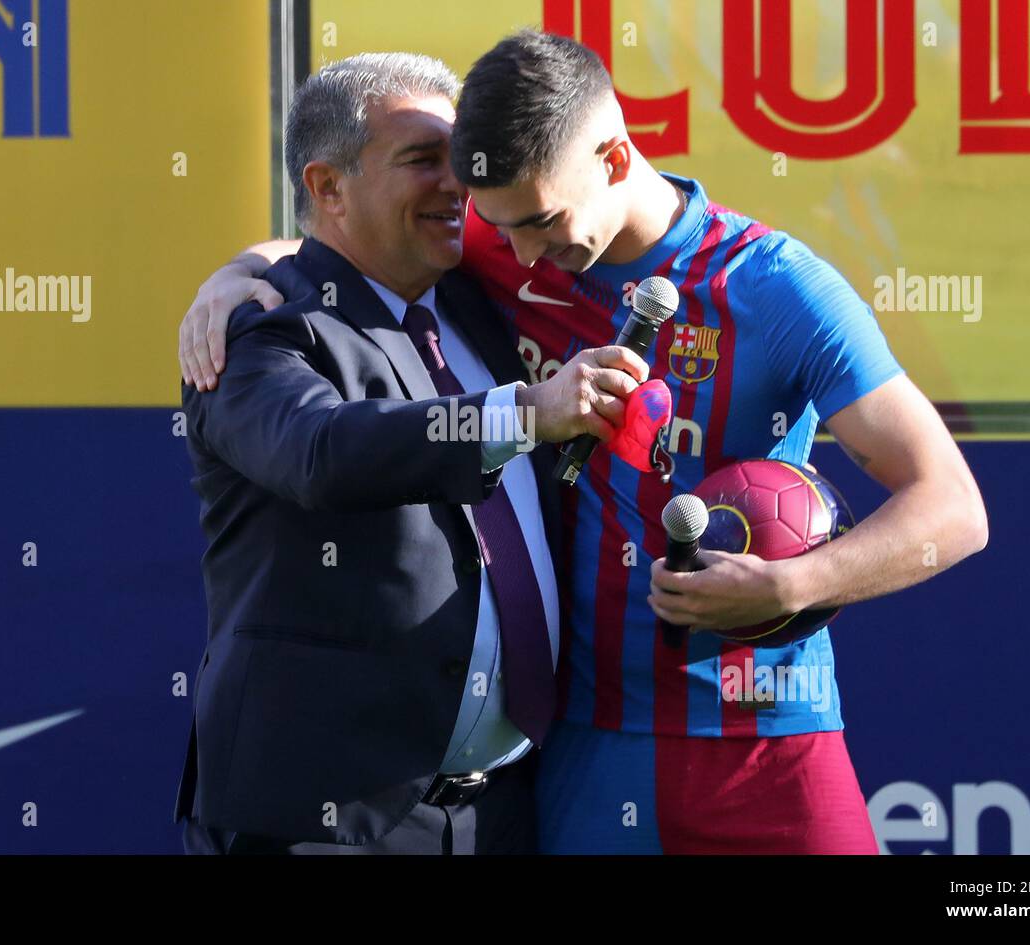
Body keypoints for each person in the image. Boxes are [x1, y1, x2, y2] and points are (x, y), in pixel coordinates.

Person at [179, 31, 988, 854]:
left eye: (539, 223)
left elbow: (953, 508)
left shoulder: (779, 286)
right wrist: (247, 268)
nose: (522, 253)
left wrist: (797, 584)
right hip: (586, 746)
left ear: (613, 156)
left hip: (771, 732)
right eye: (499, 226)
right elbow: (357, 245)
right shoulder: (500, 247)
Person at [174, 50, 647, 854]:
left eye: (459, 158)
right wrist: (529, 411)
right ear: (327, 188)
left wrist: (254, 252)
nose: (457, 183)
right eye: (422, 160)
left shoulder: (476, 299)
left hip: (499, 813)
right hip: (323, 821)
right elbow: (322, 451)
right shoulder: (257, 332)